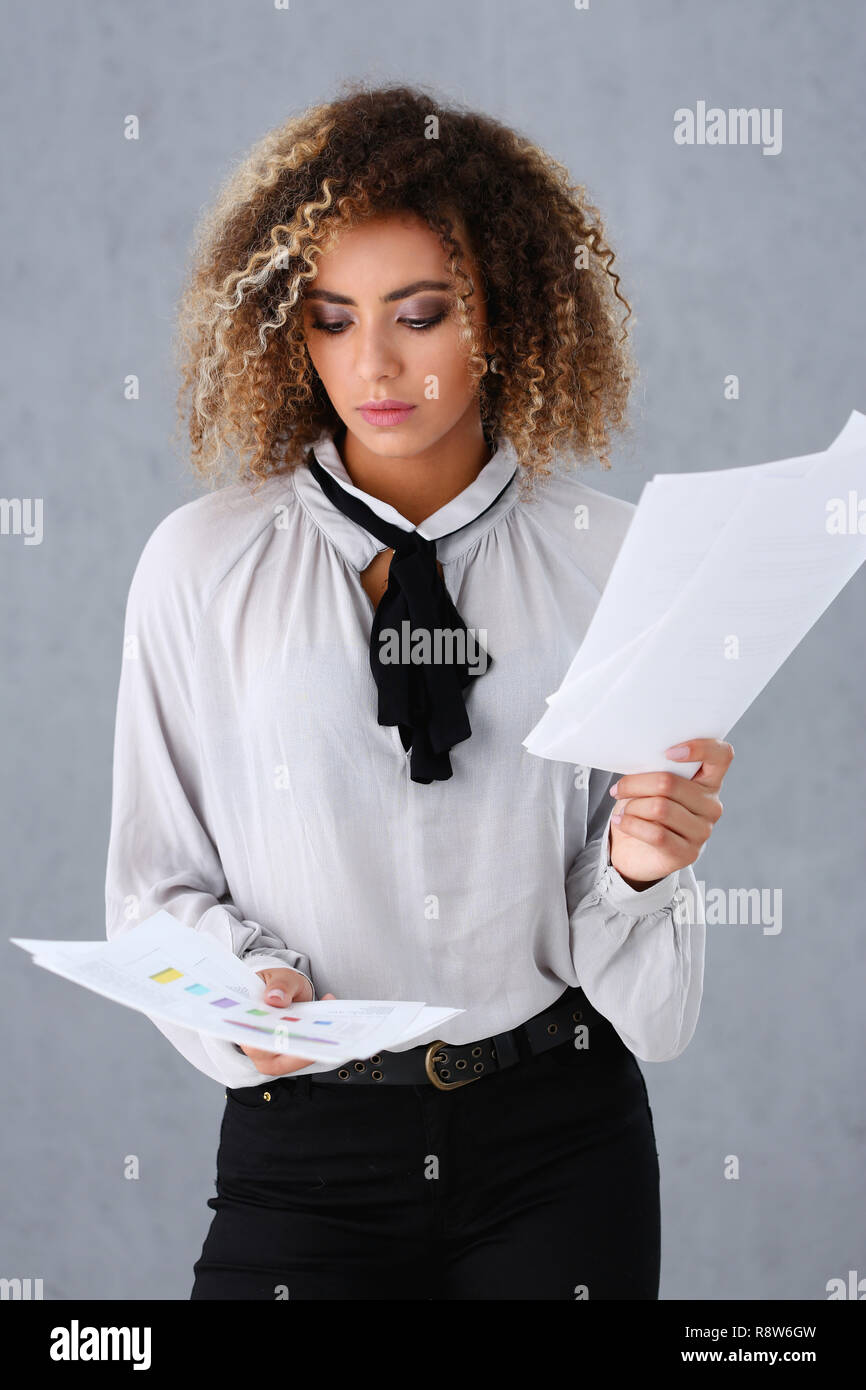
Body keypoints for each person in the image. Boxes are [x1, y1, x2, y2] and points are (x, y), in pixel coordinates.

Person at [105, 81, 732, 1300]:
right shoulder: (197, 563)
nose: (373, 364)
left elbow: (654, 1010)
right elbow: (151, 893)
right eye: (332, 319)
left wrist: (644, 873)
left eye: (420, 313)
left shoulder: (617, 562)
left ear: (504, 313)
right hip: (308, 1150)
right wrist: (236, 984)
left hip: (559, 1144)